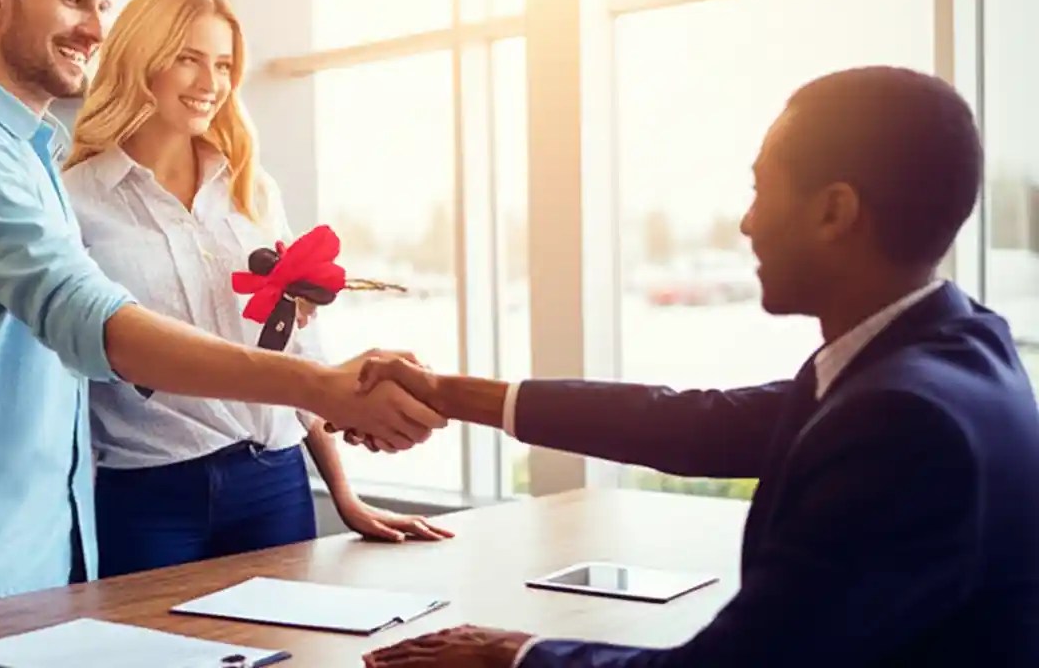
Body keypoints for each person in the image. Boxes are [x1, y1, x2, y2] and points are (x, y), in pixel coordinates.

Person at [358, 67, 1039, 667]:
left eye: (760, 189)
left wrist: (513, 655)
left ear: (834, 210)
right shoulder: (950, 348)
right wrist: (447, 393)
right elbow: (693, 425)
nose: (748, 224)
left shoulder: (902, 420)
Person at [0, 0, 444, 621]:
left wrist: (335, 452)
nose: (98, 29)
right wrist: (322, 386)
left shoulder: (29, 154)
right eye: (74, 1)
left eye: (103, 6)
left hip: (45, 534)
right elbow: (93, 321)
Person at [58, 0, 454, 578]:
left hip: (273, 482)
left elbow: (301, 352)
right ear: (142, 60)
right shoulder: (74, 200)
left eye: (222, 64)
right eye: (188, 59)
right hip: (146, 494)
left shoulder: (250, 191)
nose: (211, 83)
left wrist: (344, 495)